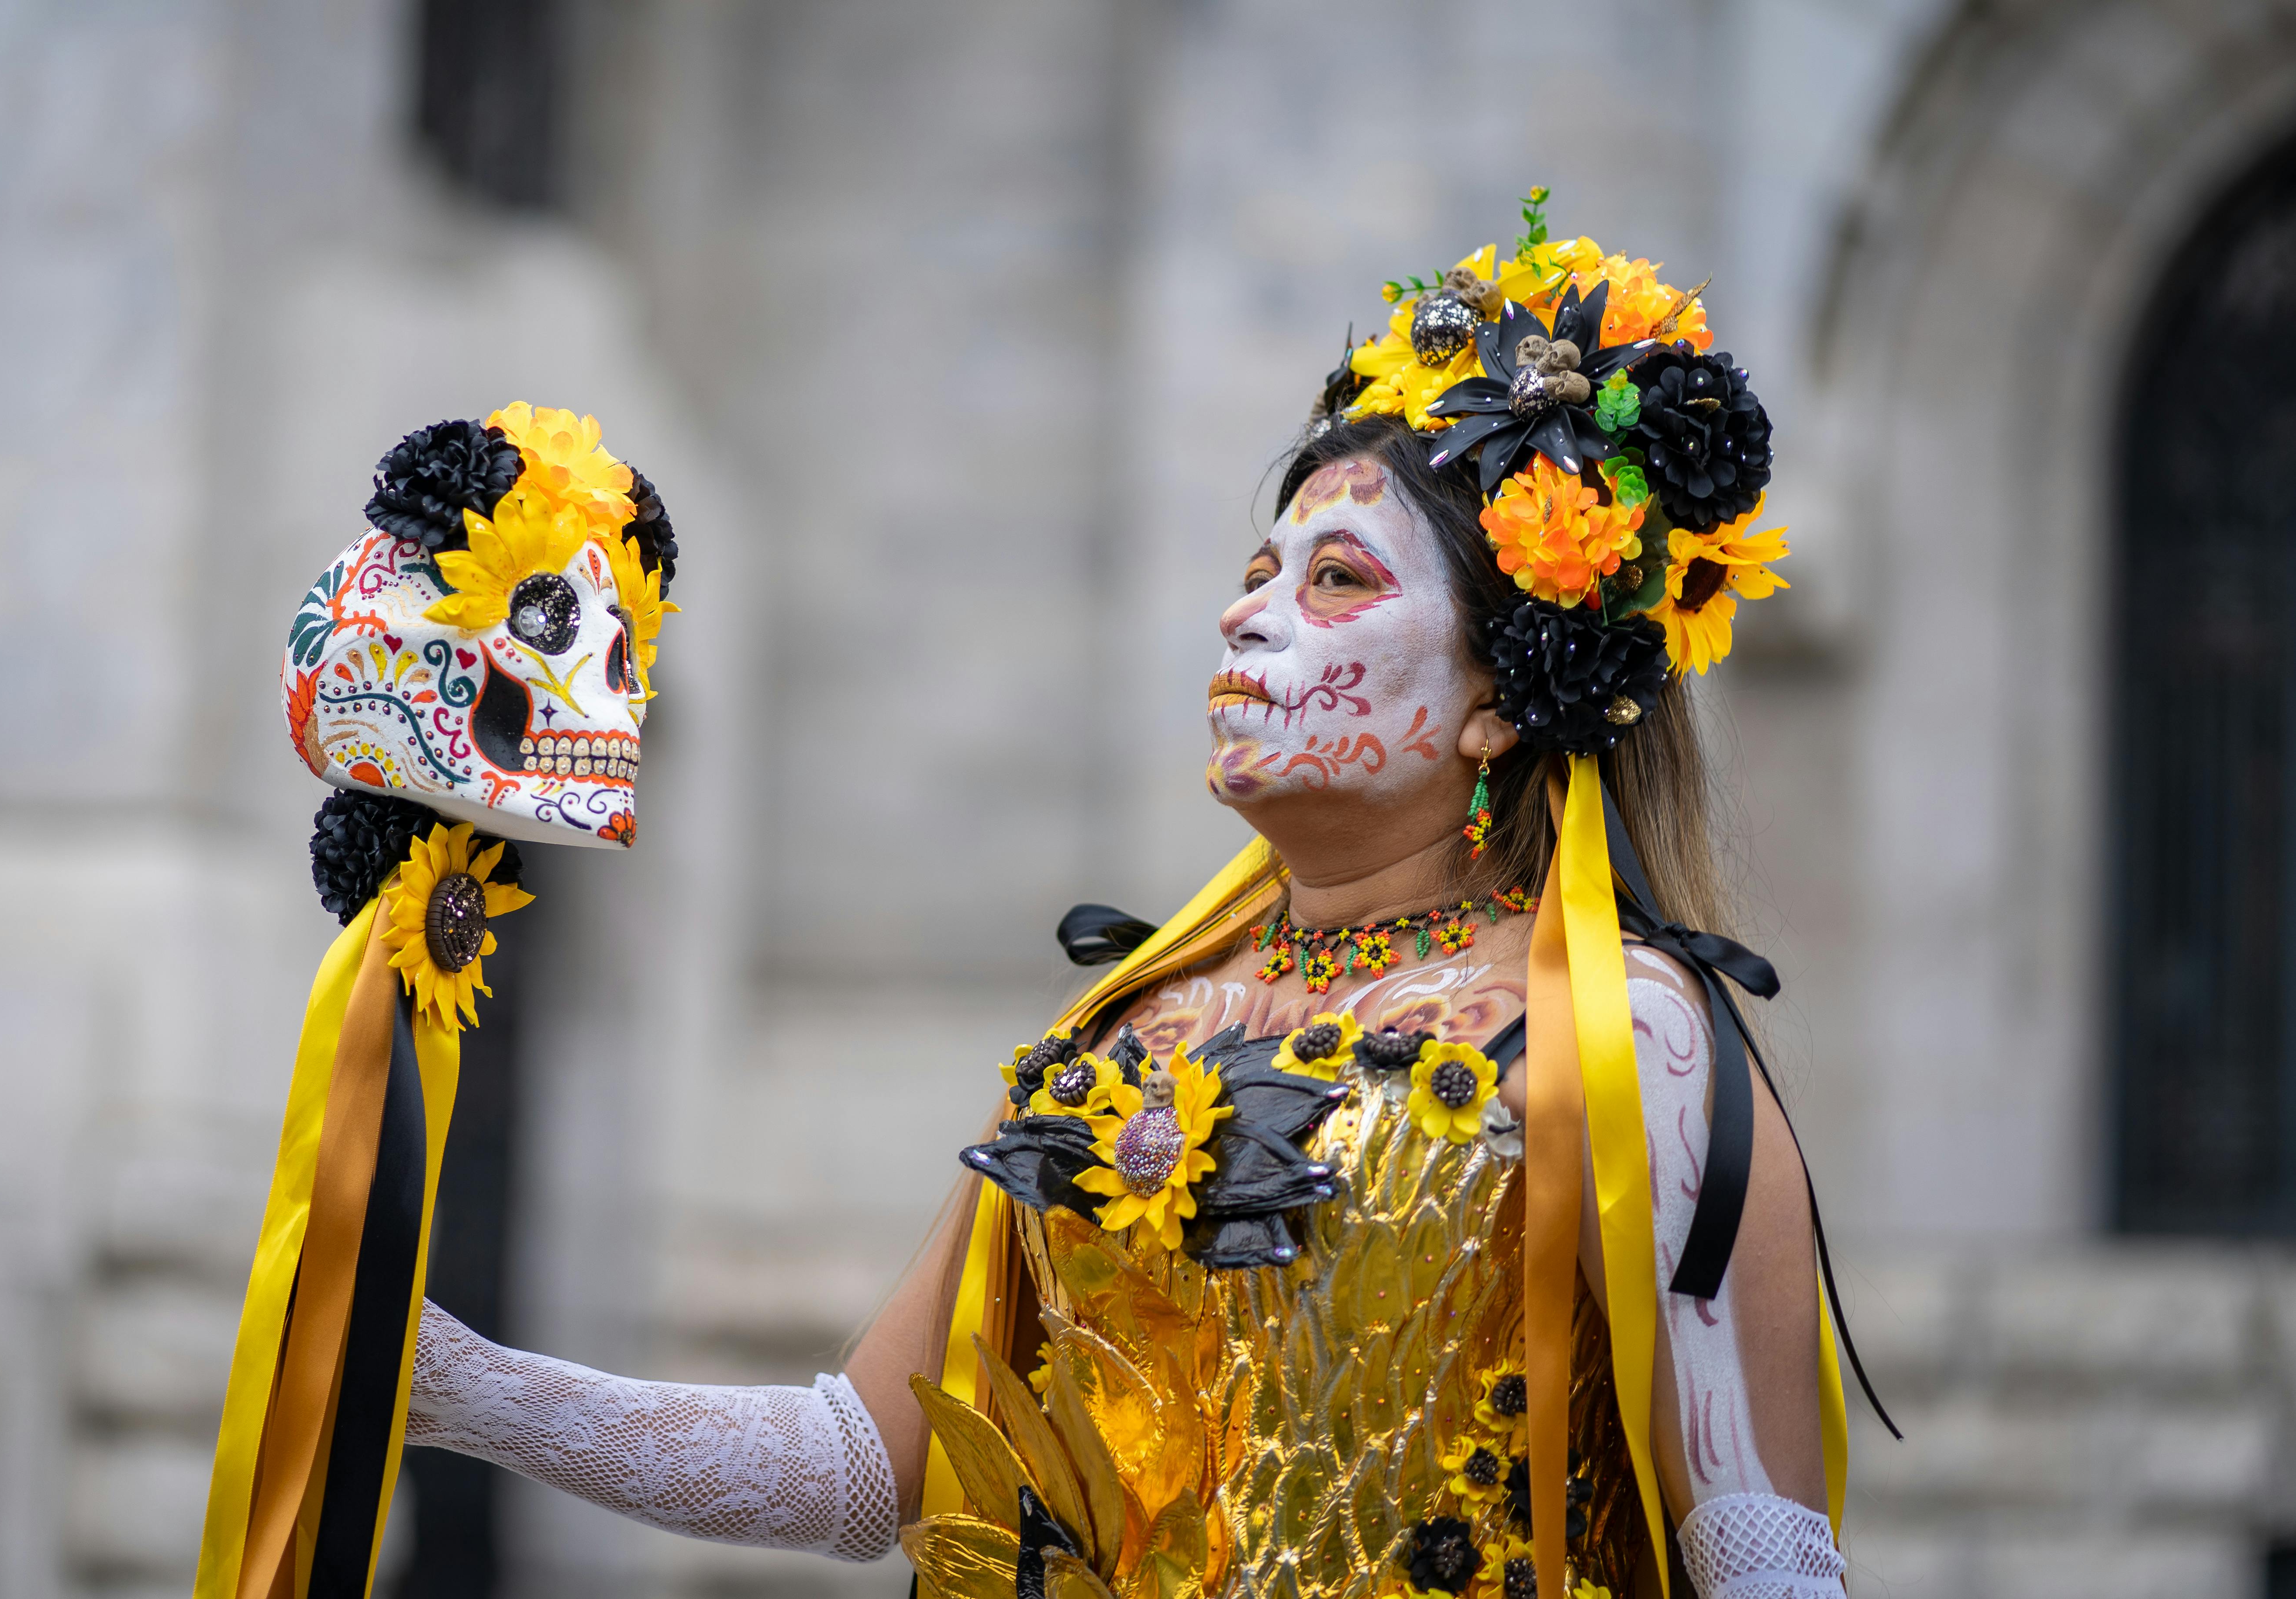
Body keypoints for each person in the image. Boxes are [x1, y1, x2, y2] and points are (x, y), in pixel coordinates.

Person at [402, 197, 1875, 1599]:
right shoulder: (1130, 1025)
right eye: (1257, 568)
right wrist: (460, 1387)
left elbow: (1761, 1556)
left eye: (1341, 579)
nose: (1248, 611)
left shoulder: (1637, 1045)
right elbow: (867, 1466)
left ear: (1503, 693)